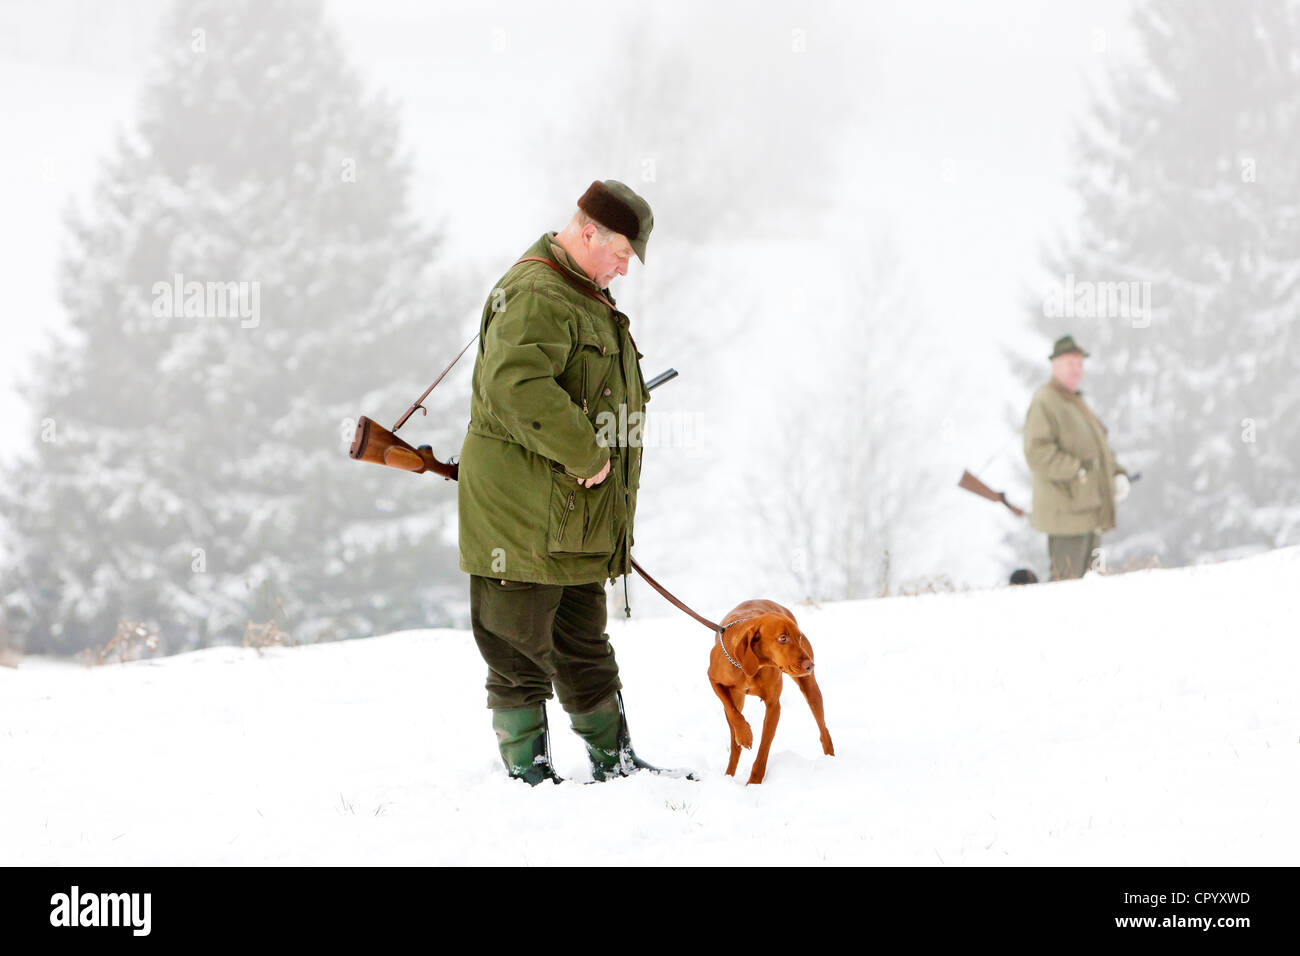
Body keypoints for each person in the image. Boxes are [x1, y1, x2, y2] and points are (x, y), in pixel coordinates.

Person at [456, 179, 673, 785]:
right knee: (517, 649)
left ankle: (616, 762)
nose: (624, 269)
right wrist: (586, 454)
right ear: (587, 232)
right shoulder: (536, 293)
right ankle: (530, 777)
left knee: (584, 645)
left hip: (573, 516)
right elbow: (515, 386)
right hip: (520, 519)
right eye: (622, 254)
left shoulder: (581, 294)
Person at [1023, 335, 1130, 581]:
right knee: (1066, 585)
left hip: (1089, 511)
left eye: (1080, 364)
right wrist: (1077, 472)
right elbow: (1037, 452)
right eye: (1070, 363)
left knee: (1091, 584)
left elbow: (1098, 450)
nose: (1077, 369)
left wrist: (1117, 473)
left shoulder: (1075, 401)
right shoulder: (1045, 401)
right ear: (1055, 365)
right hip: (1066, 515)